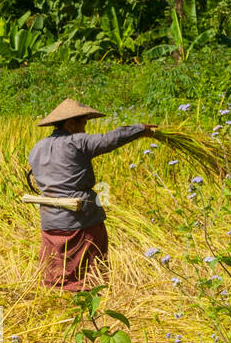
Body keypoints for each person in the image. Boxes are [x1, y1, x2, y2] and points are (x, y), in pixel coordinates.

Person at [28, 99, 155, 292]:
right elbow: (109, 139)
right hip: (81, 218)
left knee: (55, 269)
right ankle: (88, 304)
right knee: (89, 274)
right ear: (71, 123)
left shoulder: (38, 147)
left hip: (50, 219)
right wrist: (139, 129)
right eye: (83, 124)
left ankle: (56, 299)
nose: (85, 130)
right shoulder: (76, 142)